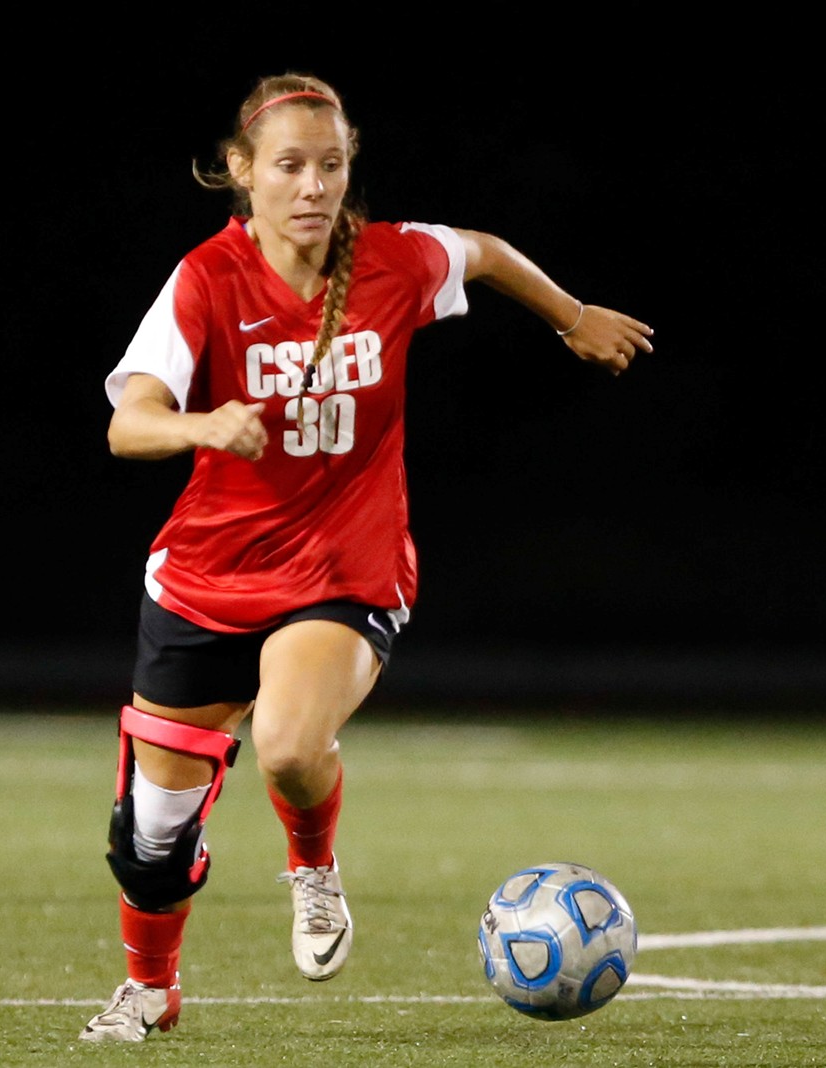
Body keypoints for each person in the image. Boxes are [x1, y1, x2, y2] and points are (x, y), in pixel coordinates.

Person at [78, 72, 655, 1043]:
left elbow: (482, 253)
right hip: (205, 579)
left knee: (291, 745)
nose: (312, 186)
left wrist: (570, 314)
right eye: (290, 166)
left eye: (331, 165)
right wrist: (203, 424)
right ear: (240, 172)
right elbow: (126, 425)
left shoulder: (390, 263)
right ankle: (151, 989)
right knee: (148, 839)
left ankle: (313, 870)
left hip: (345, 569)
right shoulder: (206, 281)